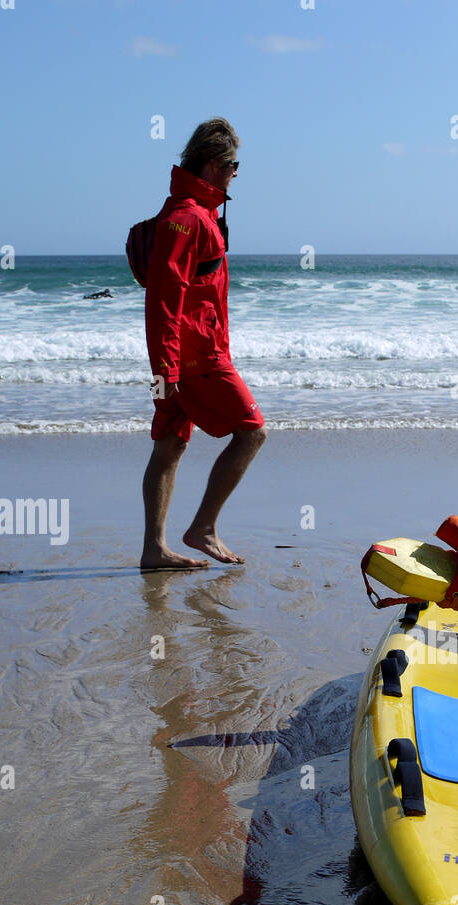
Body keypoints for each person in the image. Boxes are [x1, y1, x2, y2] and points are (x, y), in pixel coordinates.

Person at [141, 117, 266, 570]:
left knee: (170, 444)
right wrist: (167, 370)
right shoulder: (185, 219)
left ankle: (154, 550)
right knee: (253, 432)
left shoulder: (195, 213)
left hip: (180, 357)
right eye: (234, 165)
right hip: (192, 359)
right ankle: (203, 529)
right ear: (215, 165)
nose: (236, 174)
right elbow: (164, 298)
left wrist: (164, 367)